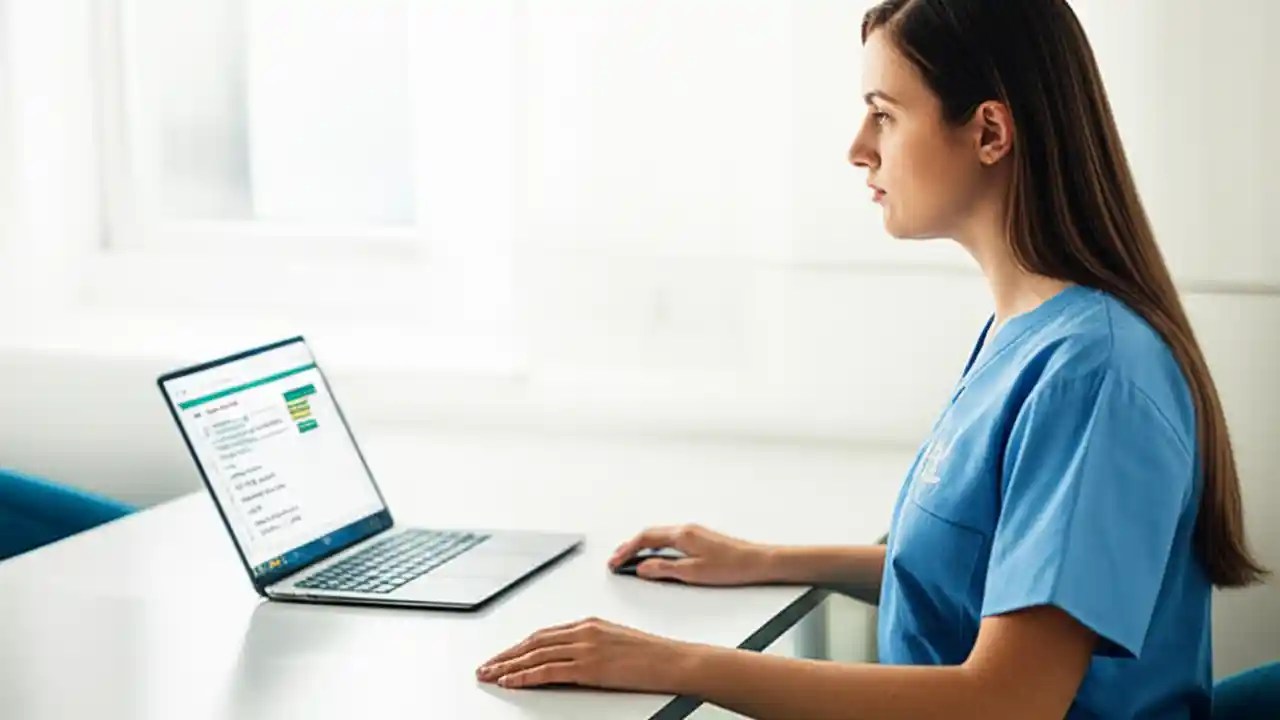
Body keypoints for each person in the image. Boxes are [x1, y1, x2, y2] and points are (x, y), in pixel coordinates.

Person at [476, 0, 1267, 716]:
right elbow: (973, 575)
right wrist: (761, 559)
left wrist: (679, 663)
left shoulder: (1093, 373)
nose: (859, 150)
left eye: (883, 115)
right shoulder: (1025, 333)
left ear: (990, 132)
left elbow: (1009, 700)